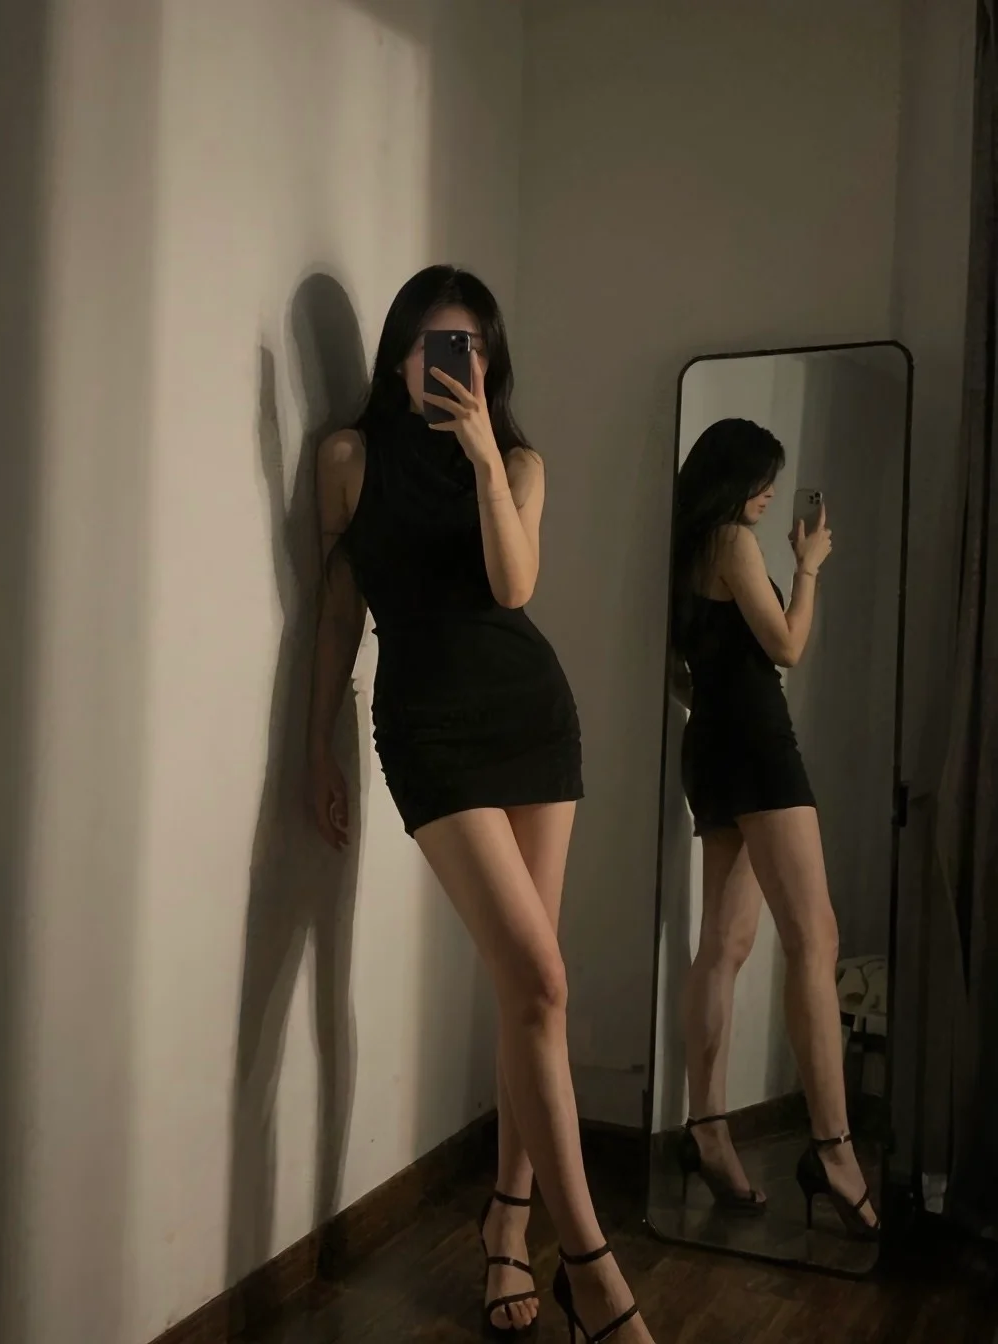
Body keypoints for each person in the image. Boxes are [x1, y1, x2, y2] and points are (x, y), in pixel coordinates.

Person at [307, 265, 654, 1342]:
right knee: (540, 980)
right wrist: (316, 738)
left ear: (489, 365)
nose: (451, 365)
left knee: (527, 991)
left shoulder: (518, 461)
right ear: (397, 358)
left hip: (531, 716)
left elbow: (513, 586)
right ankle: (591, 1270)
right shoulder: (347, 459)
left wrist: (485, 461)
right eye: (433, 345)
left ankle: (509, 1220)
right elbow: (337, 606)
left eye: (470, 349)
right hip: (430, 733)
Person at [669, 417, 879, 1240]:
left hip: (710, 747)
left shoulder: (683, 548)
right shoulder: (731, 543)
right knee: (814, 938)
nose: (768, 494)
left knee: (723, 945)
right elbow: (786, 647)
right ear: (733, 480)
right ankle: (832, 1151)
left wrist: (718, 707)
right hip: (759, 750)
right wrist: (809, 567)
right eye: (761, 480)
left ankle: (706, 1132)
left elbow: (682, 673)